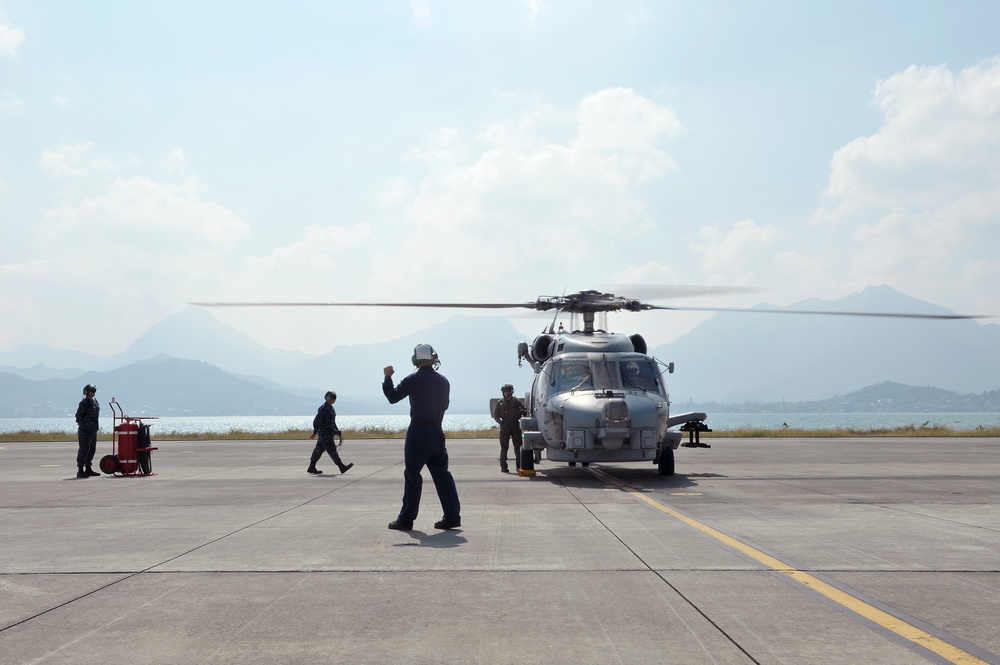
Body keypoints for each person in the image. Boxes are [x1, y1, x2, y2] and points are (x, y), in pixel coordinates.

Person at [382, 343, 461, 531]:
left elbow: (393, 397)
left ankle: (406, 519)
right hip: (437, 433)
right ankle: (452, 517)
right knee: (442, 475)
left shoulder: (413, 379)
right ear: (434, 359)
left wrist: (387, 377)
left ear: (415, 360)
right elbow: (446, 405)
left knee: (413, 475)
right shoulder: (444, 381)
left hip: (418, 433)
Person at [307, 391, 354, 475]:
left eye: (334, 398)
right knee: (332, 449)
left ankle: (311, 467)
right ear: (328, 398)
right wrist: (314, 432)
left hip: (328, 433)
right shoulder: (323, 408)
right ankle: (341, 467)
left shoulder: (330, 408)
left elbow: (332, 422)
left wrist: (337, 431)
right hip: (325, 433)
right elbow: (317, 421)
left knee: (318, 450)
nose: (334, 400)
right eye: (332, 398)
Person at [493, 383, 526, 473]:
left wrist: (521, 412)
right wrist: (500, 422)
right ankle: (503, 466)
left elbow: (524, 410)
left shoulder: (516, 401)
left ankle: (519, 466)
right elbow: (495, 415)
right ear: (503, 392)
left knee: (518, 447)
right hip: (505, 427)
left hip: (515, 425)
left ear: (512, 391)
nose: (507, 393)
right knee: (504, 448)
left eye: (508, 391)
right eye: (505, 391)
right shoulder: (500, 403)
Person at [74, 384, 101, 478]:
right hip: (85, 430)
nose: (93, 393)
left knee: (92, 449)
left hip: (93, 429)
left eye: (94, 391)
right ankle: (80, 470)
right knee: (84, 449)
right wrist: (84, 425)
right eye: (91, 391)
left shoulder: (95, 402)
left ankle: (88, 469)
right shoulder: (84, 403)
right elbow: (78, 416)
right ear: (86, 392)